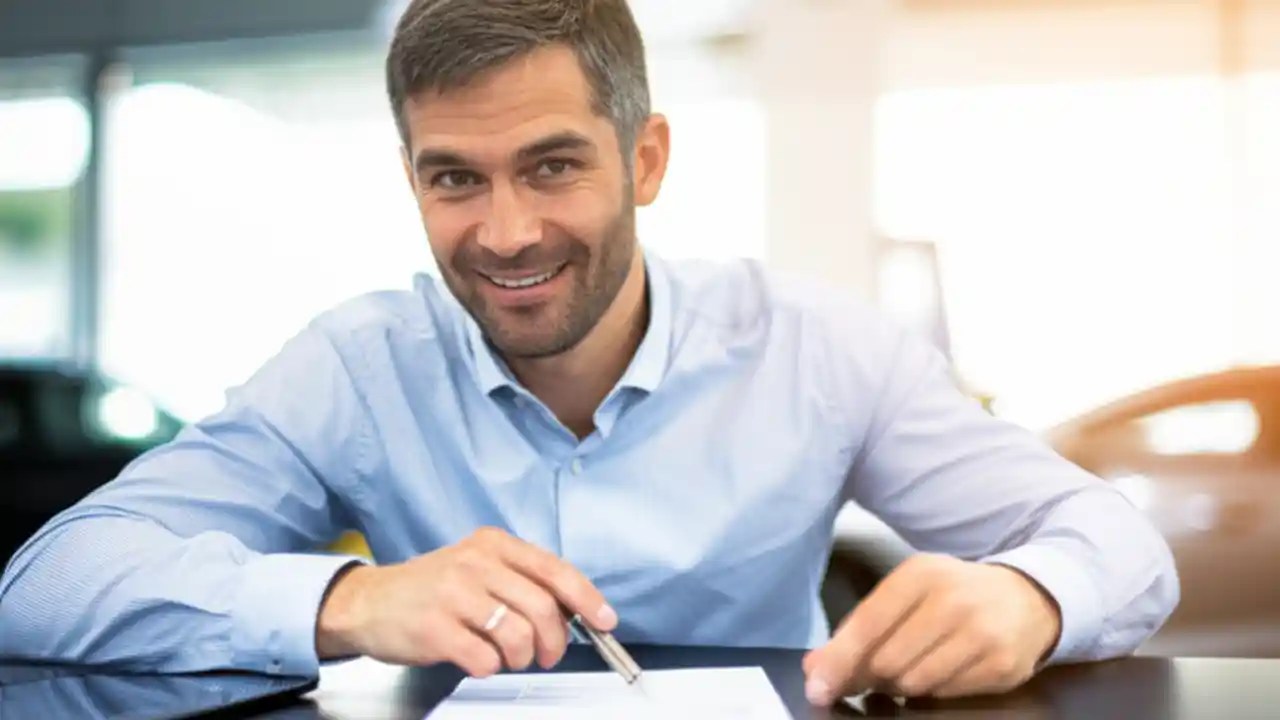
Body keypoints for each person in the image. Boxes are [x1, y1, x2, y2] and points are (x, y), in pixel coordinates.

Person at [0, 0, 1177, 706]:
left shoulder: (816, 349)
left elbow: (1117, 543)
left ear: (646, 159)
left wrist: (1029, 593)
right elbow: (46, 584)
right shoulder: (356, 366)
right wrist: (350, 601)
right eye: (454, 178)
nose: (505, 234)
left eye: (552, 166)